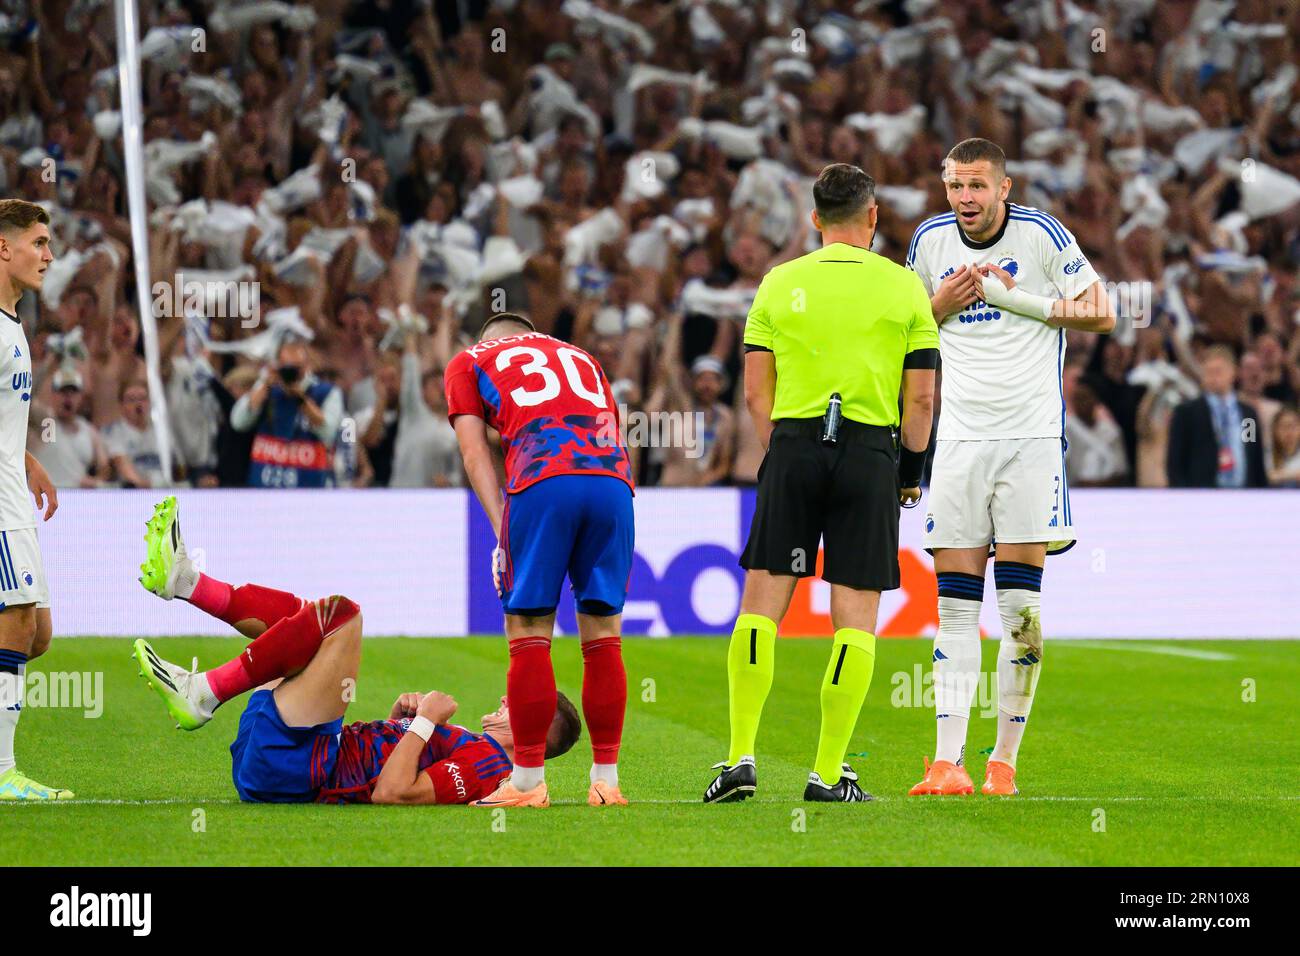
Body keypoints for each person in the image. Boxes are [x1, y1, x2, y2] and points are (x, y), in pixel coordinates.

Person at [704, 163, 939, 805]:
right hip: (870, 452)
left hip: (796, 443)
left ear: (814, 220)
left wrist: (785, 450)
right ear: (872, 216)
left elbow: (755, 391)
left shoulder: (779, 282)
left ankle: (738, 761)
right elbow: (920, 402)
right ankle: (827, 774)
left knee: (761, 608)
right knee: (854, 617)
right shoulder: (904, 287)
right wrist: (909, 476)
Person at [905, 138, 1115, 797]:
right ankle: (946, 762)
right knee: (956, 610)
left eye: (976, 185)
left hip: (1029, 440)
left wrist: (1019, 300)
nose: (965, 198)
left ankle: (1004, 764)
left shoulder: (1044, 234)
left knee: (1021, 608)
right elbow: (906, 331)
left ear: (1004, 187)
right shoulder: (929, 241)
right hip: (960, 441)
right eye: (954, 185)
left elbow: (1103, 313)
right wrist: (940, 306)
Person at [133, 497, 581, 804]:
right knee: (303, 619)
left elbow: (392, 793)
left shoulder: (492, 767)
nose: (507, 699)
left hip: (299, 766)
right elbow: (383, 764)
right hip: (287, 758)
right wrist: (402, 719)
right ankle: (189, 583)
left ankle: (205, 692)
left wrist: (424, 723)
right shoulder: (482, 750)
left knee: (342, 617)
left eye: (518, 704)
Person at [445, 312, 633, 808]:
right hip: (614, 484)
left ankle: (527, 783)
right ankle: (606, 783)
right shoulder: (582, 357)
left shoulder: (469, 361)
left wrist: (501, 525)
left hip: (543, 478)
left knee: (528, 629)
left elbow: (473, 452)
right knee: (603, 631)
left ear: (489, 340)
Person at [0, 198, 69, 800]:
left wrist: (27, 461)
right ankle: (3, 775)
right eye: (39, 242)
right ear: (5, 248)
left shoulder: (15, 324)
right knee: (16, 624)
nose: (49, 255)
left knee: (37, 633)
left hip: (13, 498)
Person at [230, 338, 344, 488]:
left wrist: (300, 398)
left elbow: (328, 433)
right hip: (264, 488)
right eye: (287, 367)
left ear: (308, 366)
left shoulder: (326, 392)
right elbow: (238, 422)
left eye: (297, 368)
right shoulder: (268, 388)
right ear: (278, 365)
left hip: (307, 491)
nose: (292, 373)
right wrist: (265, 384)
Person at [1167, 345, 1267, 489]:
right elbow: (1175, 463)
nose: (1213, 378)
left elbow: (1253, 455)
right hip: (1202, 494)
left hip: (1244, 495)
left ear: (1233, 373)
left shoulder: (1247, 415)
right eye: (1208, 372)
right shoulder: (1187, 413)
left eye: (1218, 371)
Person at [29, 367, 110, 488]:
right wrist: (48, 366)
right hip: (44, 495)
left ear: (81, 397)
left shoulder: (88, 431)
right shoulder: (45, 421)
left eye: (73, 392)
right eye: (63, 392)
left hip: (75, 499)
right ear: (53, 395)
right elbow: (26, 398)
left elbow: (104, 466)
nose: (68, 397)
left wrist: (97, 481)